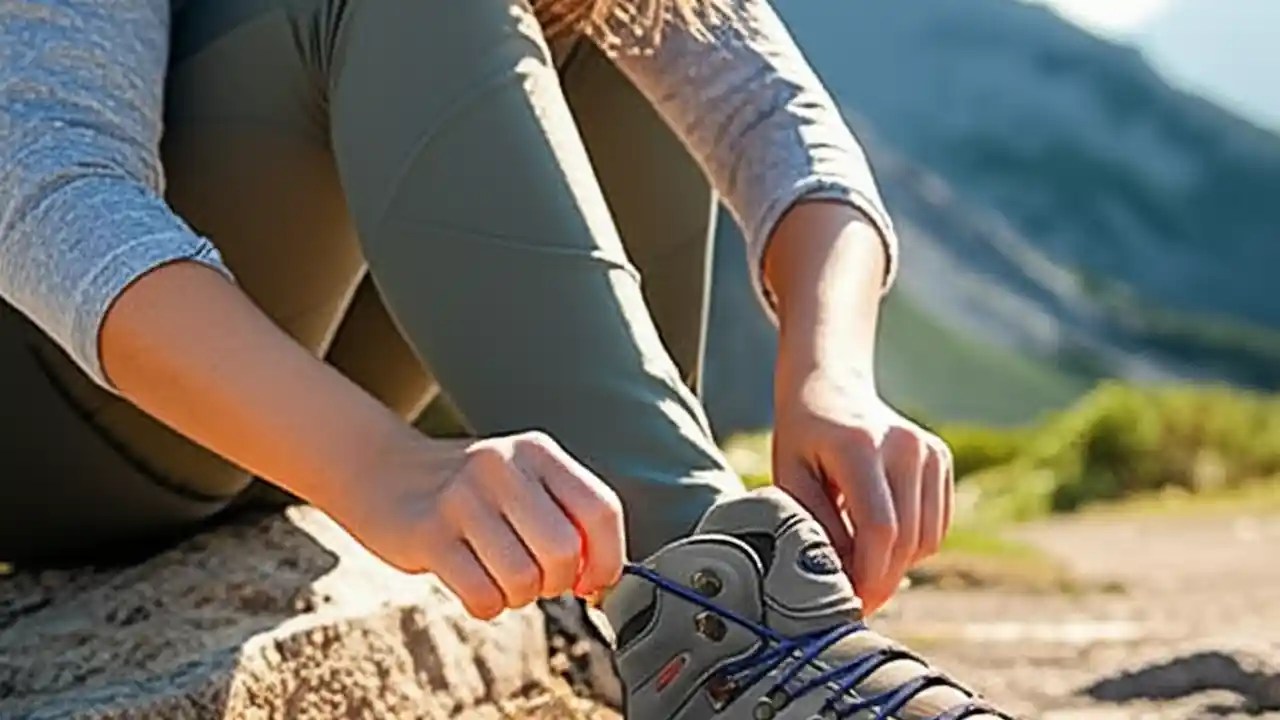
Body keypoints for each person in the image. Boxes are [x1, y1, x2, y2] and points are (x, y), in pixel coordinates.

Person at [0, 0, 952, 622]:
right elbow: (45, 184)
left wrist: (832, 378)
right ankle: (724, 603)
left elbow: (770, 118)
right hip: (53, 411)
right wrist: (382, 472)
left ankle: (647, 591)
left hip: (280, 413)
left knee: (618, 22)